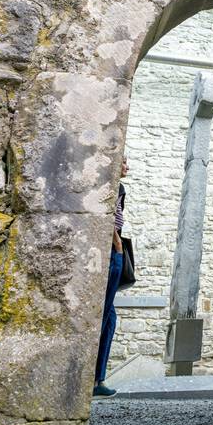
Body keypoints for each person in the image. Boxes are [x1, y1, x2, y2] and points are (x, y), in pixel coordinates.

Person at [93, 156, 128, 398]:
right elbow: (107, 218)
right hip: (109, 255)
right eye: (124, 162)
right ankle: (94, 380)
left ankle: (98, 378)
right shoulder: (112, 188)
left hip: (113, 253)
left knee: (110, 319)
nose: (128, 166)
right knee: (103, 315)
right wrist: (116, 246)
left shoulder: (120, 189)